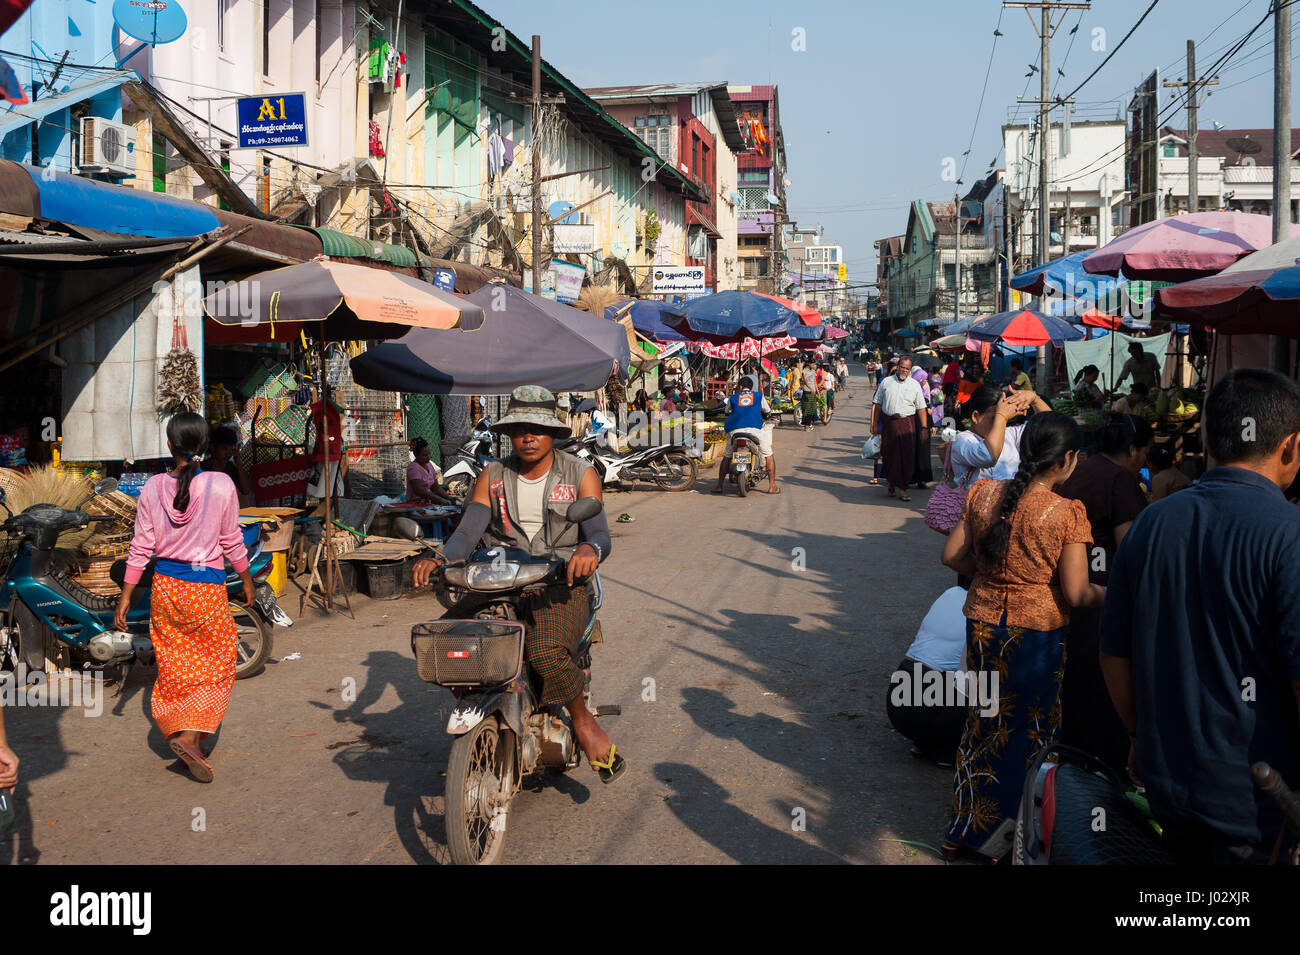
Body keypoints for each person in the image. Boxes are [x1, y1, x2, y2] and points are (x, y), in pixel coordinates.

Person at [1100, 369, 1300, 864]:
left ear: (1207, 439)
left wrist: (1137, 734)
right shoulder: (1290, 535)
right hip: (1262, 803)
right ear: (1291, 447)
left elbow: (1113, 654)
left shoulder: (1151, 522)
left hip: (1169, 785)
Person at [411, 386, 625, 783]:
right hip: (497, 580)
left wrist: (589, 550)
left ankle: (582, 721)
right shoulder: (492, 475)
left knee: (545, 649)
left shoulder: (581, 473)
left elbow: (599, 532)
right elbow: (466, 533)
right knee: (448, 643)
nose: (528, 437)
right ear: (509, 433)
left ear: (553, 433)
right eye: (520, 428)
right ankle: (482, 712)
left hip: (561, 583)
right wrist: (439, 557)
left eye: (537, 428)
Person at [939, 411, 1103, 861]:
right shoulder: (1066, 513)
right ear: (1067, 459)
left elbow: (951, 555)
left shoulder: (985, 492)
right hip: (1036, 635)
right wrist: (1121, 594)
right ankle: (1006, 842)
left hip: (983, 625)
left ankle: (963, 830)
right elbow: (1076, 591)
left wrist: (990, 575)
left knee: (983, 723)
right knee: (1028, 733)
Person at [115, 412, 255, 784]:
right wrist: (247, 580)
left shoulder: (151, 487)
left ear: (168, 446)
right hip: (205, 588)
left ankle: (184, 731)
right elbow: (231, 541)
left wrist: (125, 597)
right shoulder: (221, 484)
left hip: (165, 589)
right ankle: (191, 737)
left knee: (178, 665)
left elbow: (141, 547)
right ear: (206, 446)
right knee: (219, 663)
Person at [1057, 413, 1153, 776]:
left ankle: (1068, 758)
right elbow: (1130, 549)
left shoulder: (1078, 468)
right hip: (1100, 590)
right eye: (1144, 451)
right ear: (1132, 450)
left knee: (1074, 678)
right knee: (1100, 681)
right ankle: (1096, 768)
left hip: (1069, 585)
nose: (1145, 459)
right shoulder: (1121, 482)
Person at [886, 586, 970, 764]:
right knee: (992, 680)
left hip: (897, 700)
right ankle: (948, 749)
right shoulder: (987, 608)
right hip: (932, 706)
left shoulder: (951, 592)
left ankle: (923, 741)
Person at [949, 386, 1046, 486]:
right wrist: (1002, 415)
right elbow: (988, 456)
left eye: (1004, 418)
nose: (1000, 423)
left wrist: (1035, 400)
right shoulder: (962, 440)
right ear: (975, 416)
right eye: (994, 418)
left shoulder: (1010, 434)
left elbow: (1051, 428)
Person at [871, 356, 929, 502]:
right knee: (889, 455)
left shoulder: (915, 385)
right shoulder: (886, 382)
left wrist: (923, 428)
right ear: (897, 367)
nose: (904, 370)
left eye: (907, 368)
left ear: (910, 370)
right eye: (902, 367)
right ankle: (891, 483)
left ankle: (903, 489)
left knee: (906, 457)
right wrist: (873, 424)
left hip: (907, 424)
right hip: (889, 423)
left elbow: (921, 408)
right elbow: (877, 404)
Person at [713, 375, 778, 495]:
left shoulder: (733, 397)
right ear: (751, 387)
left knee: (727, 456)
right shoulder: (758, 396)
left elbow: (727, 411)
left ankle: (719, 485)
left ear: (740, 386)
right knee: (768, 454)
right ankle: (772, 486)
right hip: (755, 431)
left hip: (735, 431)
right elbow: (767, 411)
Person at [204, 425, 251, 503]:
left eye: (231, 449)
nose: (228, 453)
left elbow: (245, 490)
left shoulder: (230, 467)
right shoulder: (203, 468)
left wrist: (238, 463)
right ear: (213, 447)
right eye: (224, 449)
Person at [406, 437, 457, 506]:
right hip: (415, 504)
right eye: (424, 455)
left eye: (429, 454)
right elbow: (419, 491)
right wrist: (440, 499)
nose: (428, 457)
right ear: (415, 454)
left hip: (428, 502)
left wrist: (450, 498)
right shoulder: (413, 468)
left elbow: (436, 487)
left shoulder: (429, 465)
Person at [911, 365, 935, 487]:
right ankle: (913, 478)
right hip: (915, 423)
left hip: (925, 424)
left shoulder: (924, 389)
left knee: (924, 452)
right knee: (915, 451)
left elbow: (928, 405)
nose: (925, 381)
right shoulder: (912, 390)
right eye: (924, 378)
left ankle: (922, 479)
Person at [800, 360, 819, 432]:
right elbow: (805, 381)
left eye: (814, 364)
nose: (814, 365)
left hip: (813, 392)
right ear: (809, 364)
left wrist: (817, 391)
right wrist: (810, 388)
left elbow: (815, 381)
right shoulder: (804, 371)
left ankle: (809, 424)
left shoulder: (813, 371)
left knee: (812, 408)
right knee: (807, 409)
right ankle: (806, 426)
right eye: (813, 364)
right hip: (807, 391)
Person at [942, 356, 962, 421]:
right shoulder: (950, 381)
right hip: (950, 407)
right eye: (957, 369)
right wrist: (952, 406)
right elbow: (948, 395)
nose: (958, 371)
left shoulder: (954, 379)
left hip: (954, 405)